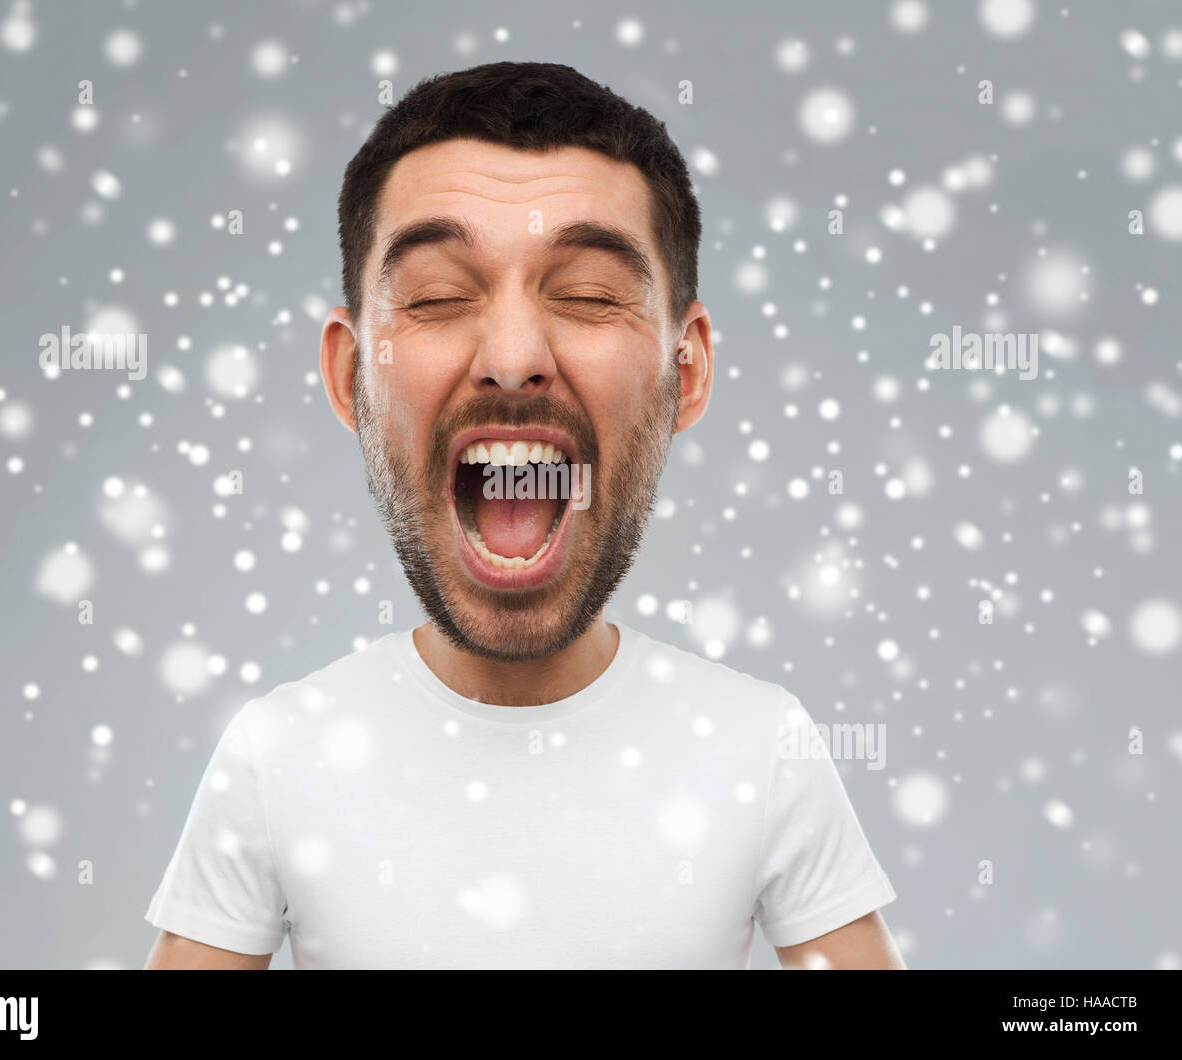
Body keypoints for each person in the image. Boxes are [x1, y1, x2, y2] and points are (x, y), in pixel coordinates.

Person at [144, 61, 902, 970]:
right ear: (352, 376)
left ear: (686, 371)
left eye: (585, 295)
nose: (511, 357)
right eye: (435, 297)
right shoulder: (278, 754)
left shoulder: (760, 746)